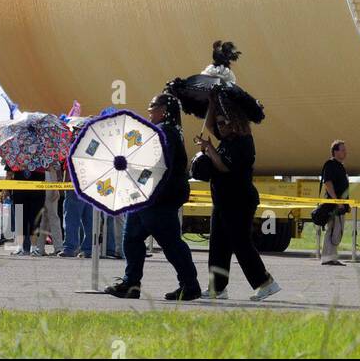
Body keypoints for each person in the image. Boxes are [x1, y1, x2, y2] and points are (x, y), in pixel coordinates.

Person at [105, 92, 202, 300]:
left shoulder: (166, 132)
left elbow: (158, 164)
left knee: (171, 243)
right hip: (144, 196)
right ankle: (131, 284)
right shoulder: (163, 131)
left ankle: (190, 285)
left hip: (159, 197)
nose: (149, 110)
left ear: (164, 110)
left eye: (153, 106)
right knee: (131, 238)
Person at [193, 90, 280, 301]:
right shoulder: (227, 140)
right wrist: (213, 103)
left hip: (239, 201)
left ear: (235, 122)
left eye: (225, 123)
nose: (220, 127)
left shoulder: (243, 143)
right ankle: (217, 288)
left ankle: (265, 282)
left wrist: (209, 148)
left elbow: (224, 167)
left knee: (241, 243)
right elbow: (211, 124)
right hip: (223, 201)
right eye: (220, 124)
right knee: (218, 245)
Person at [319, 141, 350, 265]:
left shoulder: (340, 166)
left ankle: (332, 257)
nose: (345, 152)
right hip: (334, 204)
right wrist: (337, 201)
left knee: (337, 230)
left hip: (341, 204)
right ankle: (328, 258)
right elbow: (328, 183)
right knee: (332, 230)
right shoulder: (330, 165)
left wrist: (346, 204)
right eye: (342, 150)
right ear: (335, 151)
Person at [11, 166, 47, 256]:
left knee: (35, 220)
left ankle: (33, 248)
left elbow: (50, 168)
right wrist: (5, 189)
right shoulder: (14, 153)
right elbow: (9, 171)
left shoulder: (43, 154)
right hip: (20, 191)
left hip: (37, 191)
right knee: (21, 220)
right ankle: (21, 247)